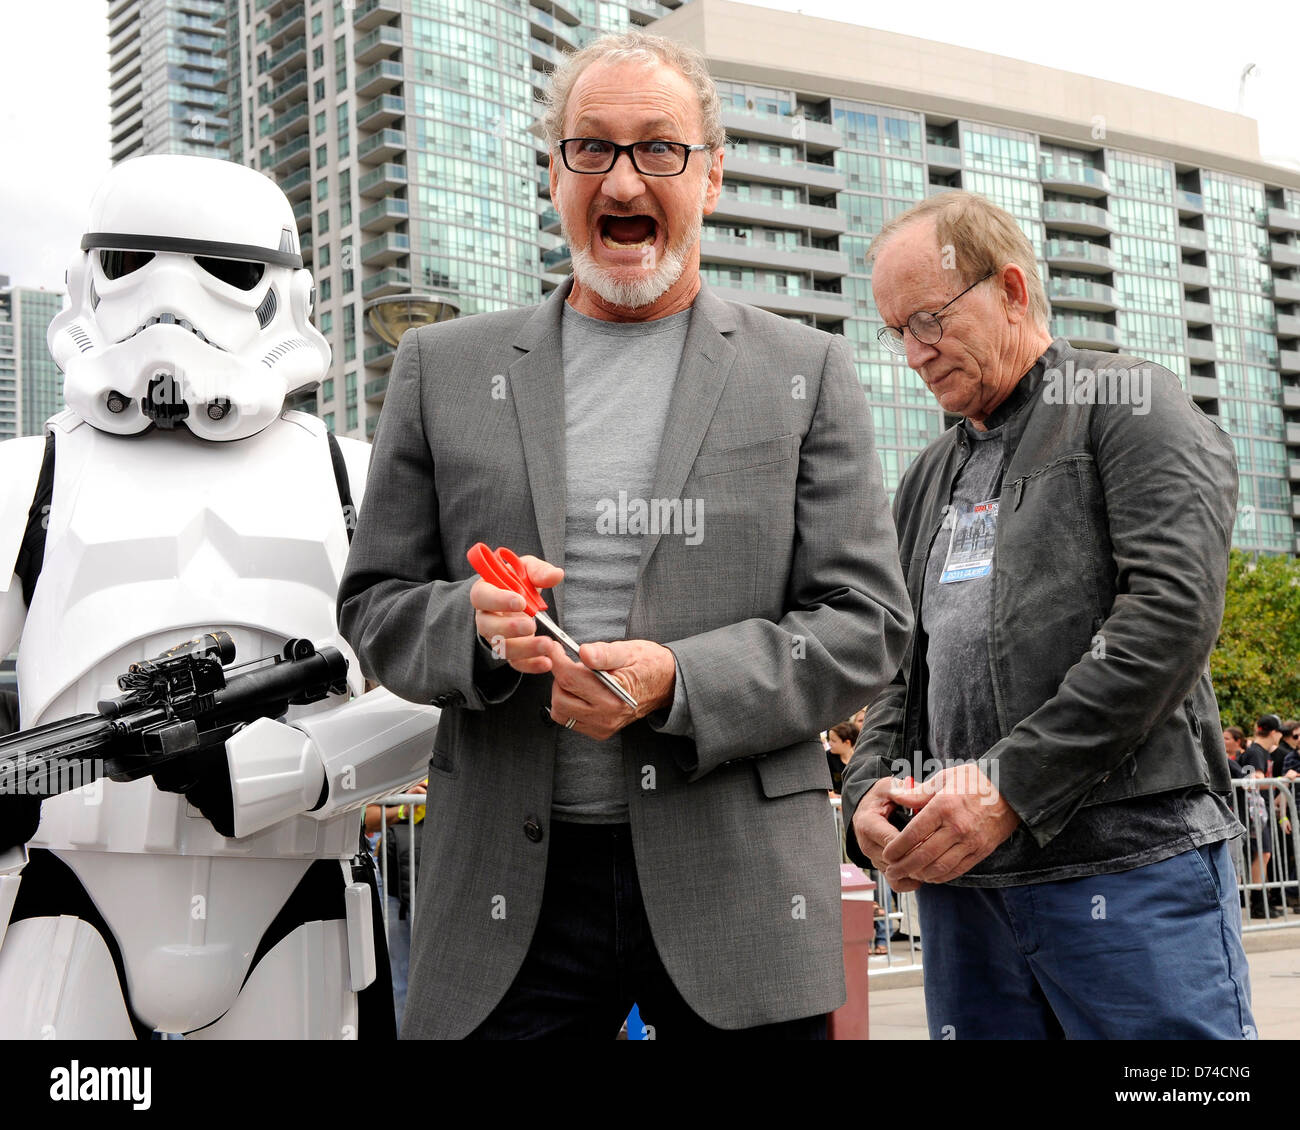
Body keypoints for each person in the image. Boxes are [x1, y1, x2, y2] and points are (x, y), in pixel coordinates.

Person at [337, 30, 912, 1039]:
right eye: (590, 149)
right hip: (507, 895)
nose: (622, 177)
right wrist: (473, 630)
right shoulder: (441, 367)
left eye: (659, 149)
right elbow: (375, 604)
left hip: (736, 884)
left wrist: (679, 679)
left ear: (712, 176)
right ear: (554, 173)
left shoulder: (804, 369)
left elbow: (864, 623)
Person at [0, 155, 440, 1039]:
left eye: (222, 274)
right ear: (89, 275)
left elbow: (443, 690)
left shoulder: (351, 475)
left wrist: (302, 768)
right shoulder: (31, 473)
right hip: (70, 893)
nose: (173, 308)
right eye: (132, 266)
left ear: (283, 291)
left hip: (293, 898)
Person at [842, 190, 1253, 1039]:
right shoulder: (925, 477)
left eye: (929, 320)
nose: (914, 355)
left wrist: (1008, 786)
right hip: (967, 894)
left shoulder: (1129, 403)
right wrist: (865, 798)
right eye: (896, 332)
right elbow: (898, 667)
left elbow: (1169, 618)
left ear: (1015, 291)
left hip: (1131, 867)